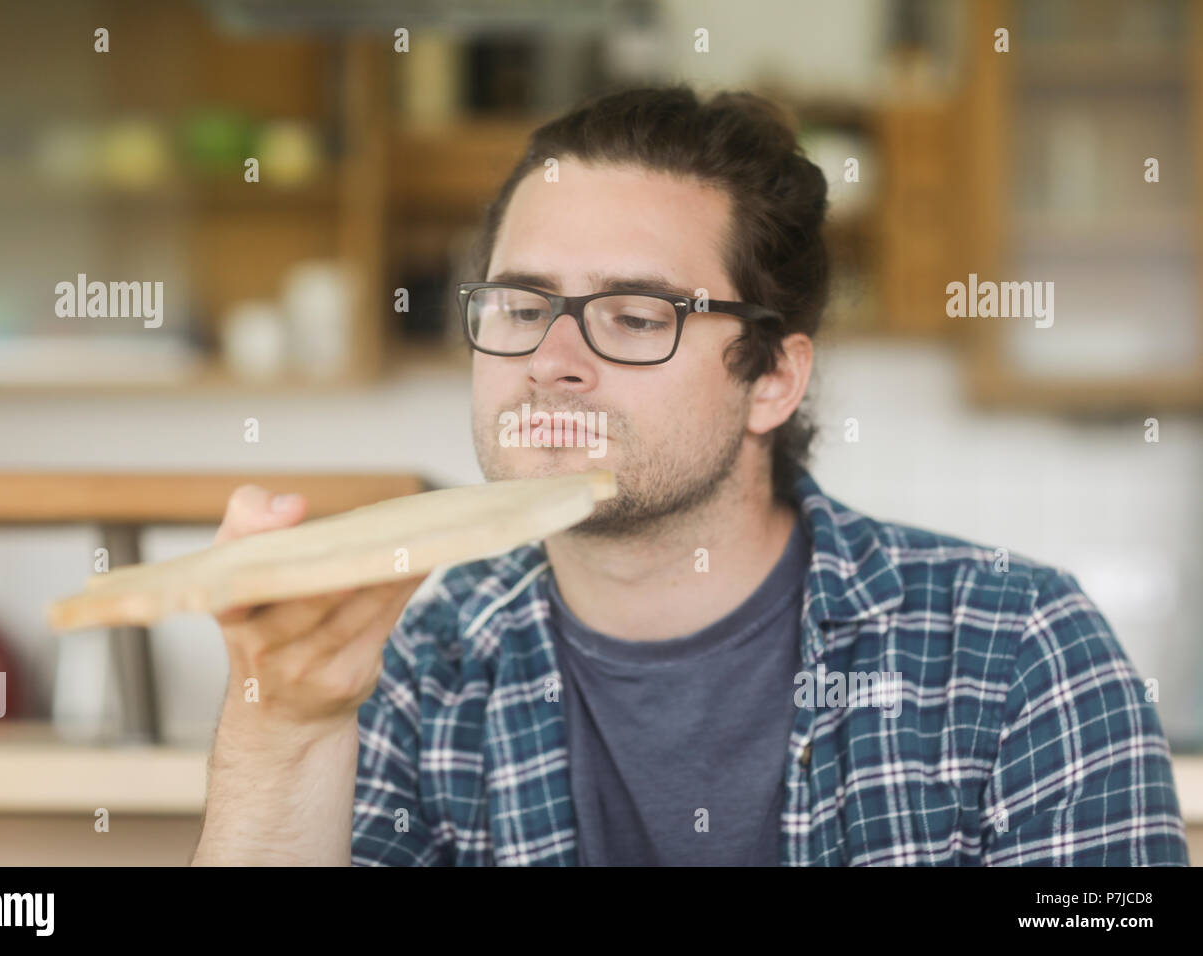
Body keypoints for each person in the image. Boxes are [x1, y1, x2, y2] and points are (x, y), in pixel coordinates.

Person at [192, 84, 1189, 866]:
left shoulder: (1018, 652)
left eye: (635, 315)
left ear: (770, 379)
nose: (550, 358)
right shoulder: (433, 665)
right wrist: (280, 732)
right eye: (519, 304)